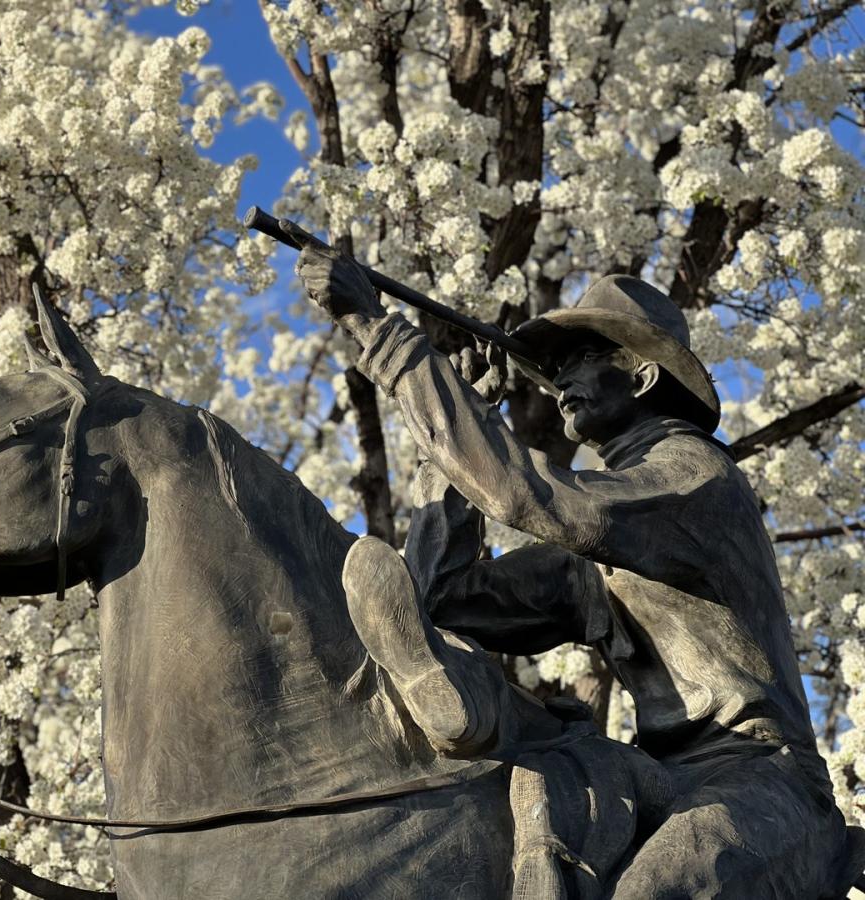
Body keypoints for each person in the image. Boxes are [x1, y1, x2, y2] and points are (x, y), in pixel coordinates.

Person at [287, 224, 858, 898]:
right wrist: (466, 439)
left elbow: (530, 497)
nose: (560, 378)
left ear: (640, 375)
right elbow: (445, 596)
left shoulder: (693, 479)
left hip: (765, 781)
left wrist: (380, 335)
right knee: (525, 803)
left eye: (583, 356)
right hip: (663, 775)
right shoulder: (602, 554)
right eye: (556, 365)